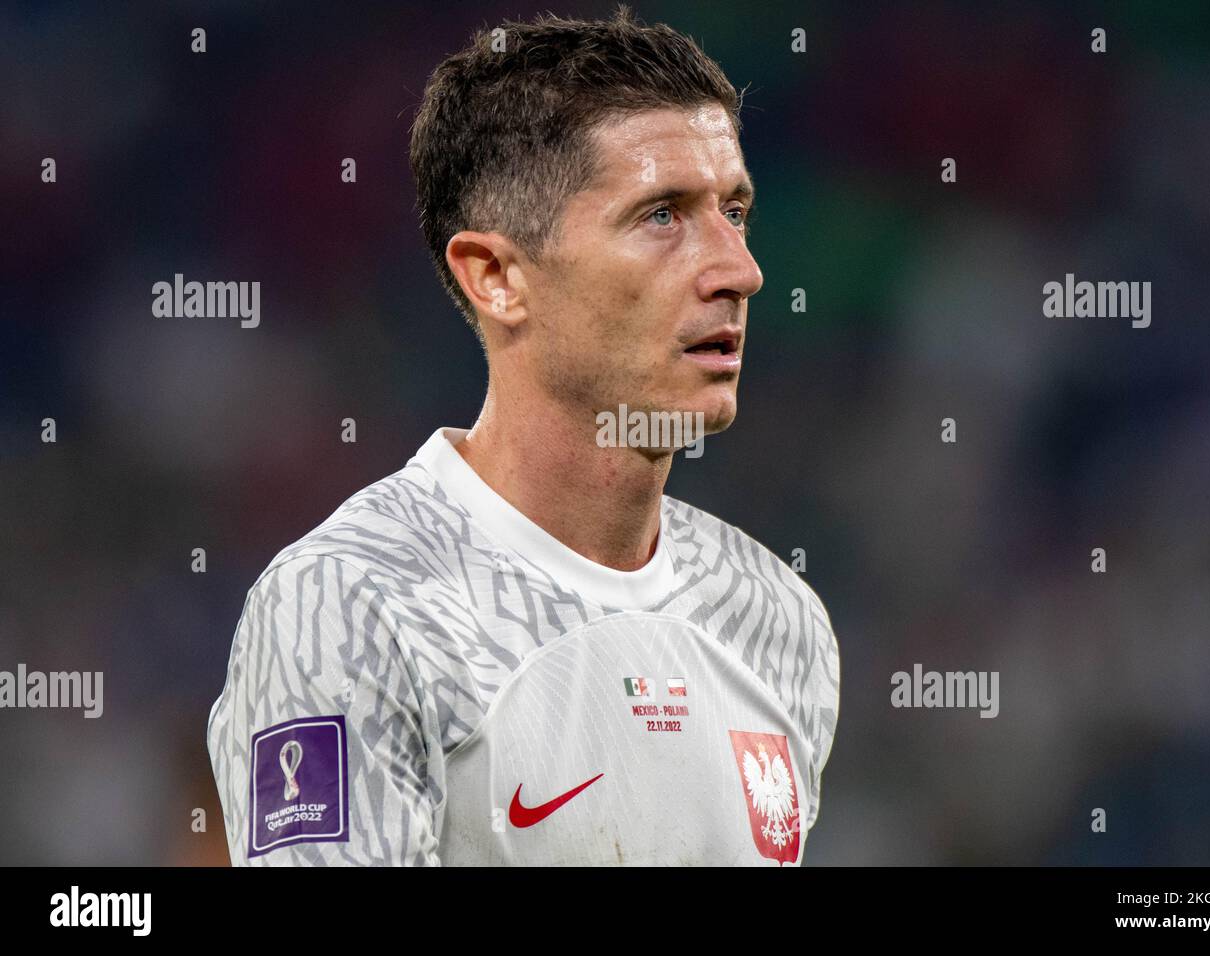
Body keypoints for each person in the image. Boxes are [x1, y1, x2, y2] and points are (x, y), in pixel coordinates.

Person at [207, 6, 839, 866]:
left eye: (735, 212)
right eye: (663, 216)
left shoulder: (778, 620)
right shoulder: (351, 605)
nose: (740, 270)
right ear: (498, 277)